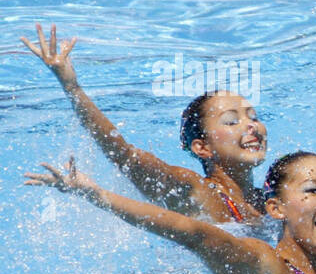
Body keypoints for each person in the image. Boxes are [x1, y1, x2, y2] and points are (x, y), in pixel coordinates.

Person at [24, 152, 316, 274]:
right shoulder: (266, 265)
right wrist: (98, 195)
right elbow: (191, 231)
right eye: (312, 190)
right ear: (275, 209)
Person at [22, 24, 268, 224]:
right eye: (231, 121)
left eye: (253, 116)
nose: (251, 126)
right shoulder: (195, 191)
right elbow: (125, 155)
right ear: (202, 147)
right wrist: (72, 88)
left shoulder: (268, 202)